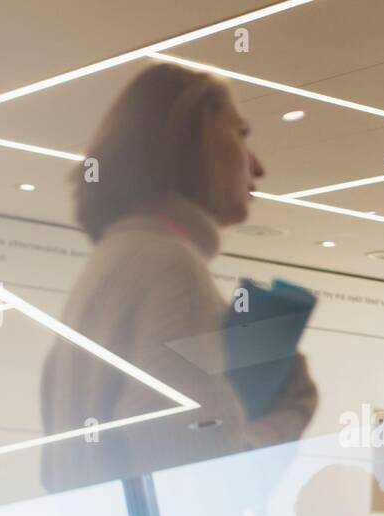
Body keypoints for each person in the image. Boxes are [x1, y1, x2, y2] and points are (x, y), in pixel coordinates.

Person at [41, 63, 317, 493]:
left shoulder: (111, 263)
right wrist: (291, 412)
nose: (257, 166)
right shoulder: (172, 269)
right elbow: (202, 484)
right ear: (194, 140)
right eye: (240, 134)